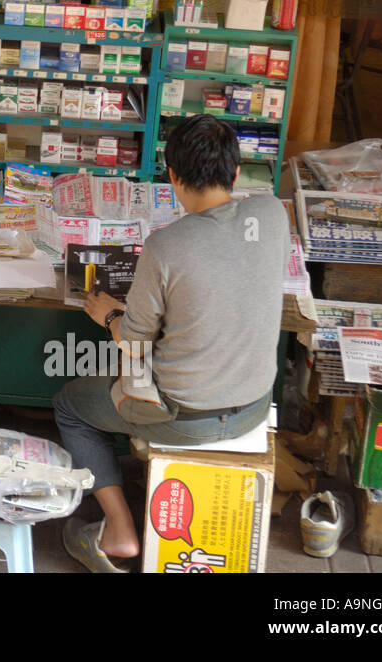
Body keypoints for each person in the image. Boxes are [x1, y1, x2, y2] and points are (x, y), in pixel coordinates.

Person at [54, 115, 288, 573]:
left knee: (70, 405)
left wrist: (110, 314)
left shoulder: (167, 244)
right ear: (236, 173)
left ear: (174, 179)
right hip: (255, 403)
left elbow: (134, 343)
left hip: (186, 415)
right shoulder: (272, 213)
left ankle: (119, 530)